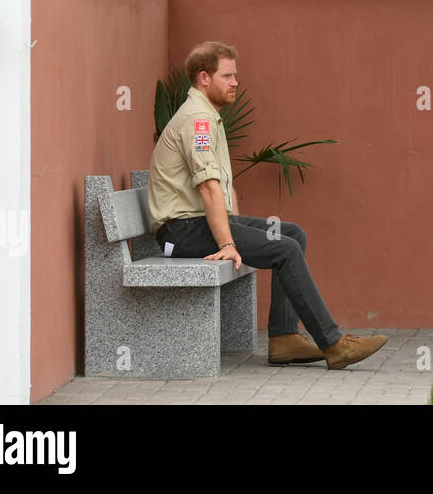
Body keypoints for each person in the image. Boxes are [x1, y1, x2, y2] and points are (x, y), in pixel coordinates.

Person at [148, 40, 385, 370]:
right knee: (284, 248)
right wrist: (229, 242)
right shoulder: (197, 121)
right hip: (182, 232)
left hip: (196, 224)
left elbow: (216, 189)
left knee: (291, 234)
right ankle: (333, 344)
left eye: (236, 76)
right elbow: (208, 188)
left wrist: (237, 229)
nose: (235, 83)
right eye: (228, 76)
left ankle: (284, 339)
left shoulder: (206, 117)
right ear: (204, 78)